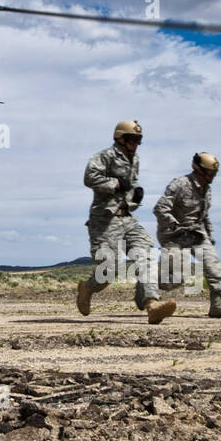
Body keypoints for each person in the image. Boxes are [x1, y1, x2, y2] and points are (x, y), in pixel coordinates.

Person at [76, 120, 177, 324]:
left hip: (128, 218)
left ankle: (152, 305)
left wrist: (135, 192)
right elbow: (89, 177)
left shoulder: (135, 159)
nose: (136, 143)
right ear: (120, 139)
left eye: (139, 140)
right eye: (133, 139)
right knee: (111, 269)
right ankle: (87, 288)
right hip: (104, 219)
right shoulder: (105, 156)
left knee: (147, 253)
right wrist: (114, 183)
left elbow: (130, 182)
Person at [154, 152, 221, 318]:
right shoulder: (179, 184)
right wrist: (175, 225)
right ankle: (147, 282)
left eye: (214, 173)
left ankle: (217, 306)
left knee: (214, 267)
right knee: (177, 278)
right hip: (173, 235)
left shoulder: (207, 190)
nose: (212, 177)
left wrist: (209, 233)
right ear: (199, 170)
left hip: (197, 234)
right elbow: (160, 208)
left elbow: (203, 215)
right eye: (210, 173)